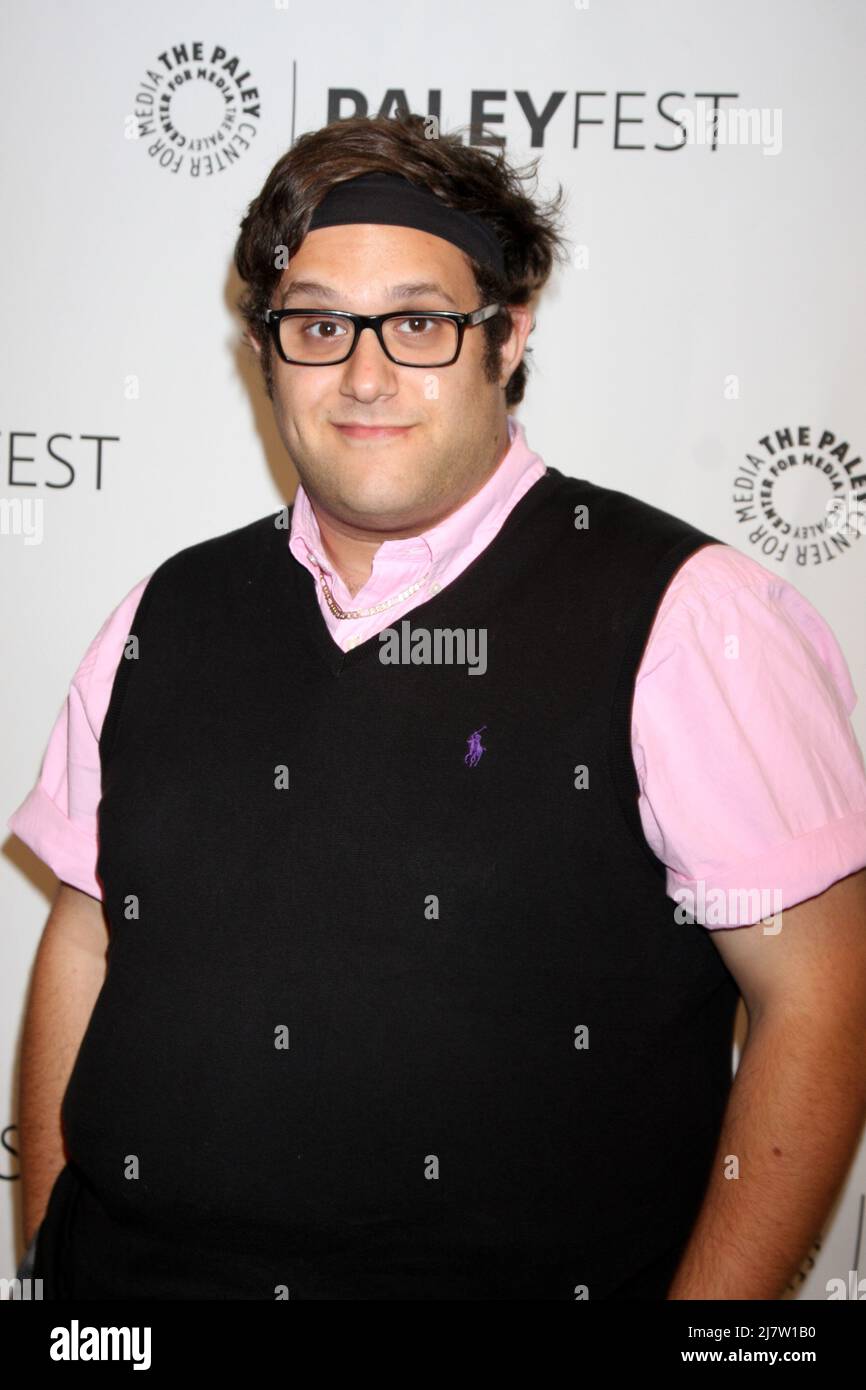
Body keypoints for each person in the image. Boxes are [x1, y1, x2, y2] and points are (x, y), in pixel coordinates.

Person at [8, 112, 866, 1301]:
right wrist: (52, 1257)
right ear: (269, 351)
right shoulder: (167, 607)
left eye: (417, 321)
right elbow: (88, 936)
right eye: (318, 325)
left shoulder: (689, 615)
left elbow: (819, 998)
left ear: (505, 337)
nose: (364, 375)